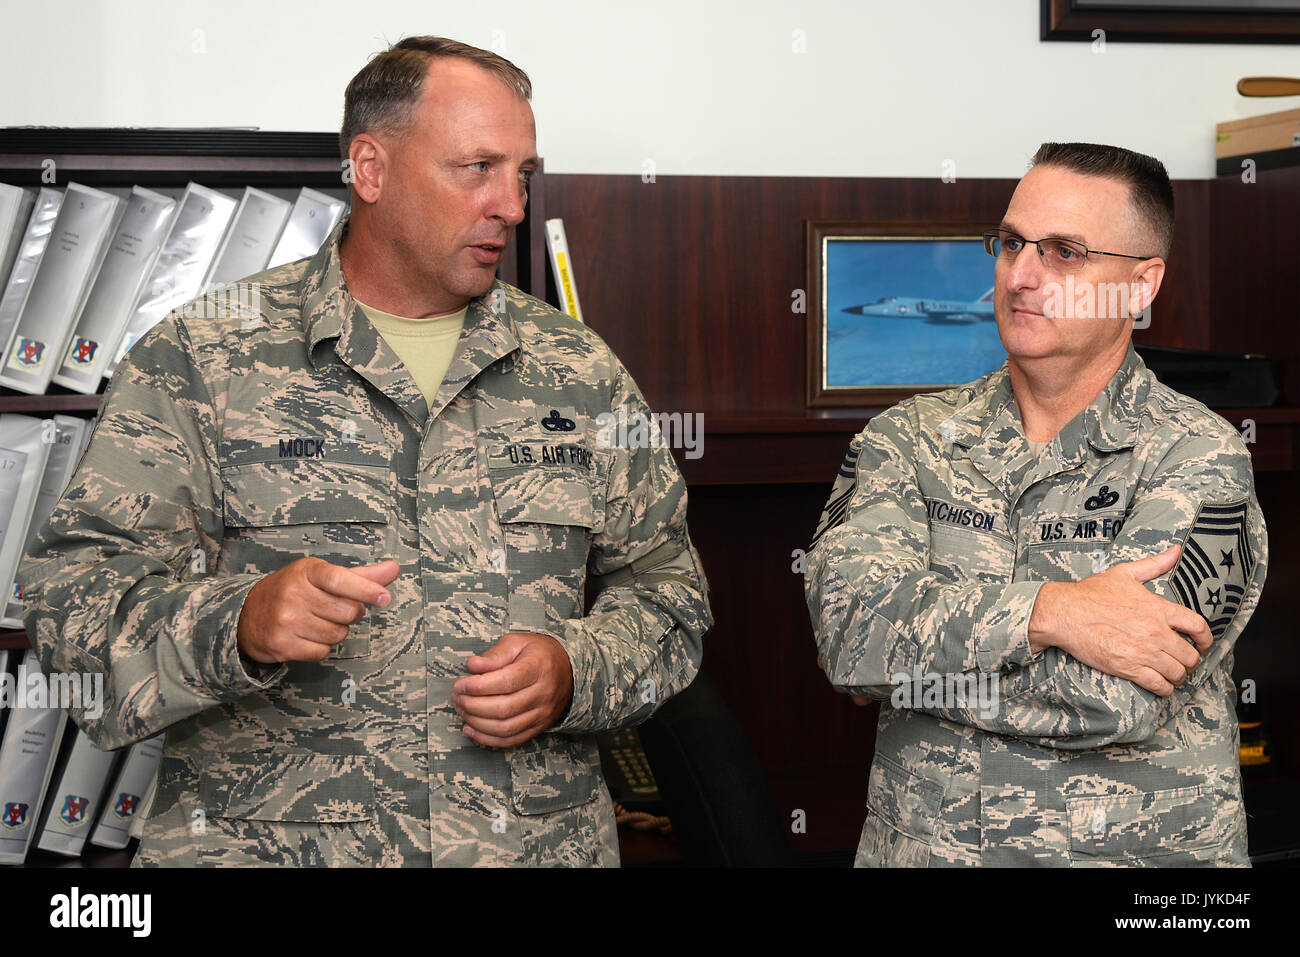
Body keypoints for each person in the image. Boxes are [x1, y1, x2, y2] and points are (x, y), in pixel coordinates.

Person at [18, 36, 712, 867]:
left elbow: (671, 595)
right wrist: (235, 623)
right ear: (371, 170)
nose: (512, 206)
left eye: (522, 174)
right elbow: (68, 612)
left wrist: (576, 669)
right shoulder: (203, 358)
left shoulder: (579, 371)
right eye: (477, 169)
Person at [804, 142, 1267, 866]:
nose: (1021, 276)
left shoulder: (1200, 457)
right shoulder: (908, 439)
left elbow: (1117, 696)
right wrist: (1051, 613)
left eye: (1065, 252)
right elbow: (849, 634)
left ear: (1140, 286)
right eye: (1013, 242)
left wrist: (916, 674)